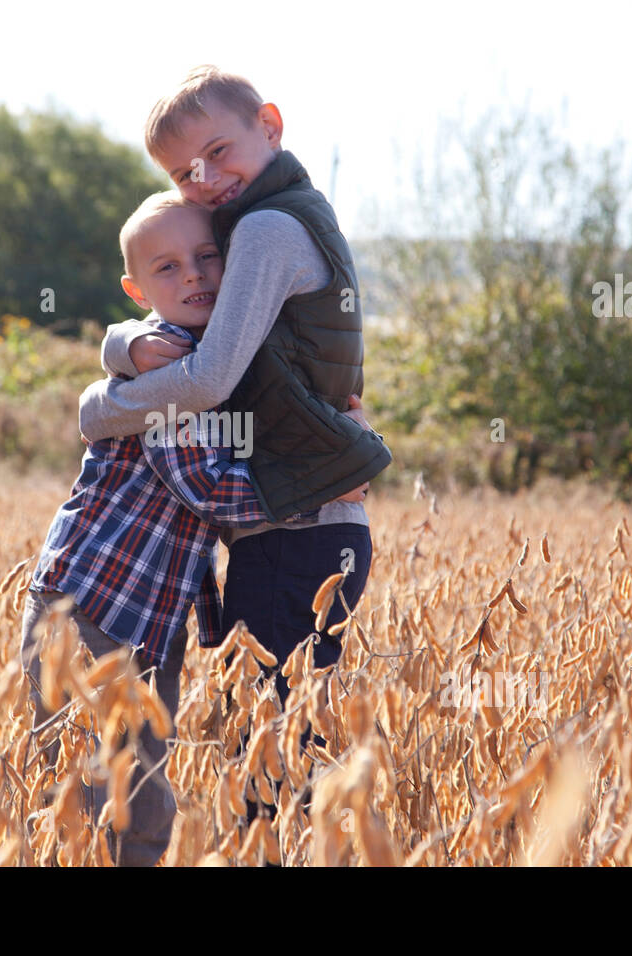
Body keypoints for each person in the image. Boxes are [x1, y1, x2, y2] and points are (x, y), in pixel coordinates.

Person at [21, 192, 366, 866]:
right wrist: (329, 481)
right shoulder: (175, 366)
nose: (195, 277)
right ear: (137, 287)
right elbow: (210, 486)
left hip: (144, 622)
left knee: (131, 789)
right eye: (169, 268)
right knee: (103, 797)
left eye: (209, 258)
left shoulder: (213, 355)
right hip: (91, 612)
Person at [82, 66, 391, 707]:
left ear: (270, 126)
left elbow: (210, 377)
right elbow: (183, 331)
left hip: (297, 529)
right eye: (182, 173)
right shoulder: (288, 215)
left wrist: (101, 408)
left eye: (217, 152)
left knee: (270, 742)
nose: (206, 179)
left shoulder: (263, 229)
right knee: (281, 728)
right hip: (310, 521)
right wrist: (123, 343)